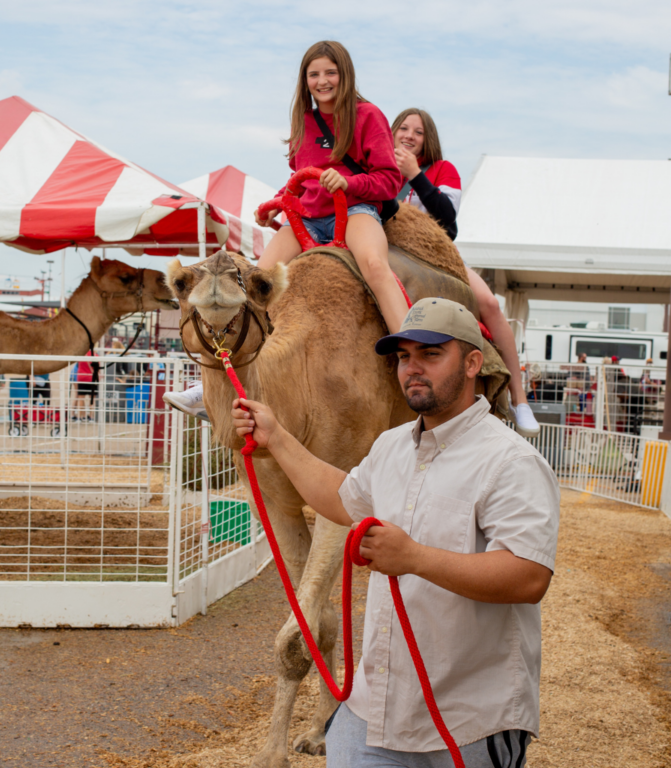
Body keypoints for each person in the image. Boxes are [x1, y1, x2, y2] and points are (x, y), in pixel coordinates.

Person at [231, 297, 559, 767]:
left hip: (467, 722)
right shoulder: (391, 446)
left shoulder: (512, 462)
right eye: (404, 356)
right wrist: (278, 437)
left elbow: (528, 578)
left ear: (471, 364)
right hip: (371, 712)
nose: (412, 368)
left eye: (430, 354)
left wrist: (414, 558)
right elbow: (343, 498)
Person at [164, 40, 404, 421]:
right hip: (307, 217)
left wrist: (348, 184)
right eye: (314, 74)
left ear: (344, 74)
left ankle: (413, 359)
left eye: (330, 72)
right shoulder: (304, 122)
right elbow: (299, 179)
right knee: (253, 283)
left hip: (355, 208)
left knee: (375, 265)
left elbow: (389, 180)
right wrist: (275, 203)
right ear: (305, 80)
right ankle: (213, 380)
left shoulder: (368, 115)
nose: (322, 81)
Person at [391, 107, 540, 438]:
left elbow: (448, 222)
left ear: (428, 140)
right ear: (391, 133)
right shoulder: (379, 168)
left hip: (435, 253)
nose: (410, 136)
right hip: (386, 251)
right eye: (403, 128)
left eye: (418, 131)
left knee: (490, 303)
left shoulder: (443, 169)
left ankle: (519, 398)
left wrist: (416, 174)